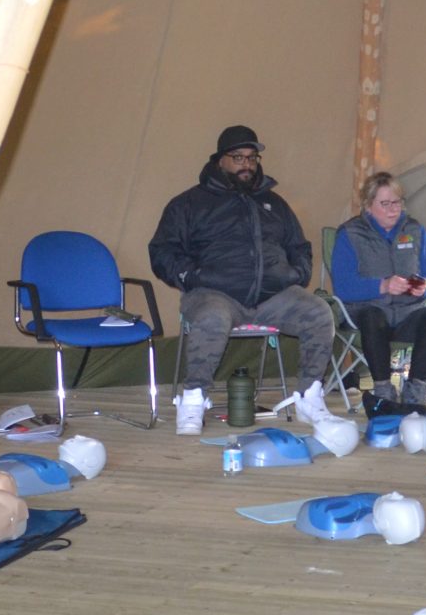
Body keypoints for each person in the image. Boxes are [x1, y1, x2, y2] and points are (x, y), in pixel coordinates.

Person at [146, 124, 341, 423]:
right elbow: (162, 250)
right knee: (211, 317)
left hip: (273, 296)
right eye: (238, 157)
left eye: (252, 158)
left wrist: (295, 275)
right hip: (214, 294)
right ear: (219, 160)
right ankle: (194, 399)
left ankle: (309, 396)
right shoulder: (188, 204)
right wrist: (191, 277)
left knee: (319, 312)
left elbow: (299, 246)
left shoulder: (274, 203)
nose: (246, 165)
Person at [329, 172, 426, 406]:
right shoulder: (350, 234)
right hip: (368, 314)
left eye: (397, 202)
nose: (393, 209)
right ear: (368, 205)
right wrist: (383, 285)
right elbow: (343, 287)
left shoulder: (414, 231)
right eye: (385, 203)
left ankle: (416, 388)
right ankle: (383, 389)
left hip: (408, 314)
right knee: (372, 316)